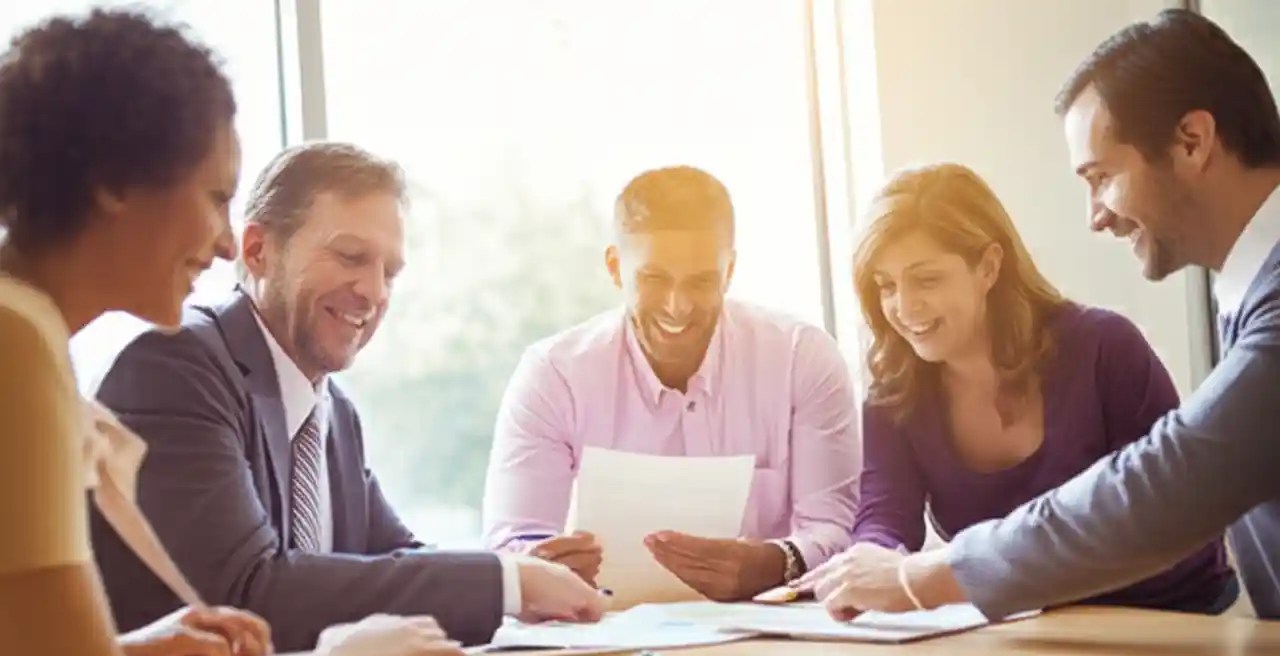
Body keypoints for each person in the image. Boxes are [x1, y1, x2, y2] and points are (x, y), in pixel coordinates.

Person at [0, 10, 468, 656]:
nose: (224, 245)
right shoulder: (17, 340)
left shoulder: (24, 332)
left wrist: (125, 650)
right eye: (216, 197)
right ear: (114, 181)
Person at [799, 9, 1280, 622]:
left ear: (1192, 141)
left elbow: (1171, 481)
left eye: (1101, 178)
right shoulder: (1252, 290)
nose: (1096, 216)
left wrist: (926, 576)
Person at [88, 141, 604, 653]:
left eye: (390, 273)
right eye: (351, 257)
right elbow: (246, 593)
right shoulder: (176, 367)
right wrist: (506, 583)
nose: (375, 292)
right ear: (258, 250)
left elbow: (392, 558)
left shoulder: (332, 411)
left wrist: (522, 578)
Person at [848, 162, 1235, 614]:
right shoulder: (896, 391)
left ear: (989, 267)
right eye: (885, 286)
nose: (903, 306)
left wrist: (944, 577)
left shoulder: (1104, 348)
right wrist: (877, 561)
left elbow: (1177, 525)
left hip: (1170, 622)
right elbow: (884, 517)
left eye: (926, 279)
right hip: (1029, 631)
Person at [482, 165, 860, 601]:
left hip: (773, 630)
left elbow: (837, 531)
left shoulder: (801, 358)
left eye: (701, 282)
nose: (677, 307)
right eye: (653, 279)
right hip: (610, 633)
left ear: (730, 269)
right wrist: (543, 567)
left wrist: (776, 562)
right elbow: (509, 545)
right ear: (615, 267)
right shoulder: (554, 375)